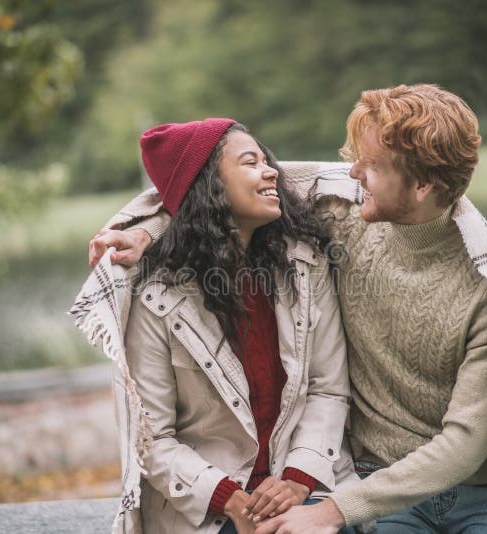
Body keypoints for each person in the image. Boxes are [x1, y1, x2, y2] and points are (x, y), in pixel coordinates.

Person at [88, 86, 487, 534]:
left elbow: (461, 446)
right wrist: (152, 230)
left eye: (369, 167)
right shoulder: (347, 223)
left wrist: (323, 506)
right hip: (375, 483)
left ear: (421, 185)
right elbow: (219, 188)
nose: (351, 176)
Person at [75, 118, 359, 534]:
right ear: (210, 186)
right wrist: (231, 500)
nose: (272, 172)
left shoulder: (304, 266)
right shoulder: (157, 299)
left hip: (309, 483)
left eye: (267, 160)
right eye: (250, 162)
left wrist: (297, 482)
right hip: (207, 508)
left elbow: (328, 388)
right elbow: (152, 438)